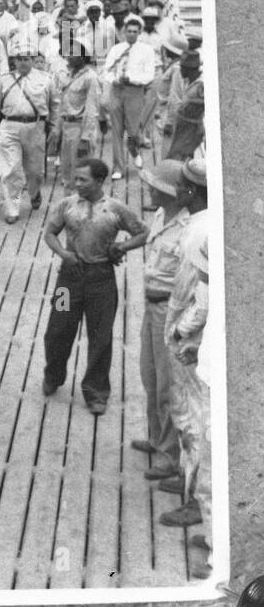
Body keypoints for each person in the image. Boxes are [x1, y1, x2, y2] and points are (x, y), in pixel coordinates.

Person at [41, 157, 148, 414]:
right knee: (57, 329)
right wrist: (64, 254)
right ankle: (53, 375)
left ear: (100, 181)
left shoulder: (115, 209)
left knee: (100, 336)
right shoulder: (66, 205)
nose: (77, 183)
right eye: (75, 179)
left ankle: (96, 392)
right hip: (68, 280)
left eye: (83, 180)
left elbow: (143, 233)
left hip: (101, 280)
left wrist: (121, 246)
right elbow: (49, 234)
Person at [131, 158, 193, 485]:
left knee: (169, 385)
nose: (150, 192)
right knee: (150, 376)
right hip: (151, 305)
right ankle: (157, 438)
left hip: (169, 309)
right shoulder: (159, 215)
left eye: (155, 188)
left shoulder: (187, 228)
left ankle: (172, 457)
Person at [160, 158, 211, 544]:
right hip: (183, 335)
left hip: (188, 339)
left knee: (196, 421)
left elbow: (203, 300)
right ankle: (188, 478)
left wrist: (182, 331)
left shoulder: (200, 231)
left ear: (191, 192)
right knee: (185, 413)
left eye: (180, 186)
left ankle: (198, 501)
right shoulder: (200, 224)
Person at [0, 34, 58, 224]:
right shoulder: (4, 80)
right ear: (14, 60)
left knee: (35, 172)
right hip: (9, 127)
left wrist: (55, 128)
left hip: (35, 128)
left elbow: (55, 105)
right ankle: (13, 207)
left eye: (27, 59)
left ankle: (34, 192)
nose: (23, 63)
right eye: (19, 59)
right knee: (12, 170)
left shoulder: (46, 79)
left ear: (32, 60)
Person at [101, 15, 158, 179]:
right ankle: (118, 167)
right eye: (129, 31)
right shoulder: (116, 49)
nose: (131, 34)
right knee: (117, 130)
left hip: (135, 91)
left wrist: (133, 80)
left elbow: (149, 75)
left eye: (135, 31)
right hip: (117, 90)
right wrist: (115, 80)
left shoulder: (146, 50)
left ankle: (134, 151)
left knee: (133, 131)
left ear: (139, 32)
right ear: (124, 32)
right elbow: (107, 70)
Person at [54, 43, 102, 187]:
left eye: (73, 54)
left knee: (81, 173)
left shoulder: (90, 77)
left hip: (80, 126)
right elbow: (61, 104)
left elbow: (92, 108)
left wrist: (85, 137)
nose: (69, 57)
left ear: (82, 57)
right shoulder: (67, 75)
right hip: (67, 126)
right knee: (67, 172)